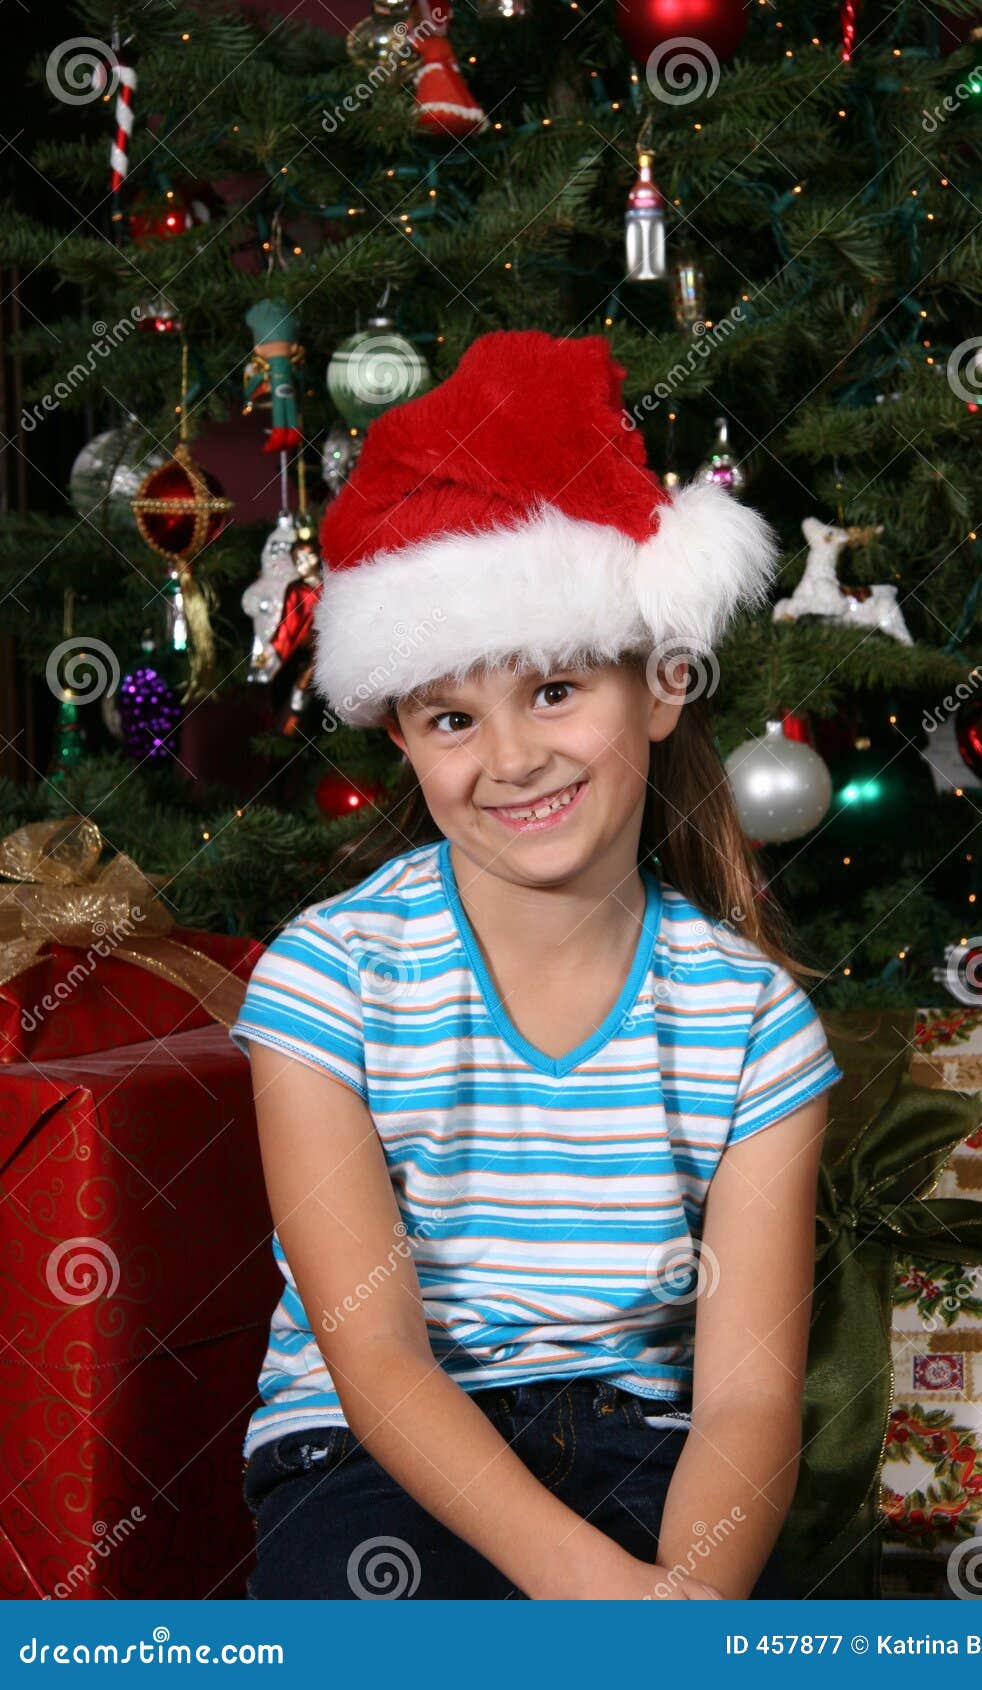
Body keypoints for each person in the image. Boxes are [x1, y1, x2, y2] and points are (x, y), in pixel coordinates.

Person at [229, 329, 846, 1601]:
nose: (510, 760)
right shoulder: (327, 980)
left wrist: (680, 1606)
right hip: (369, 1459)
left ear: (659, 688)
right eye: (453, 717)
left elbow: (740, 1394)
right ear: (401, 734)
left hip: (644, 1455)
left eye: (556, 690)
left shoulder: (751, 1023)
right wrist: (590, 1595)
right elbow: (379, 1358)